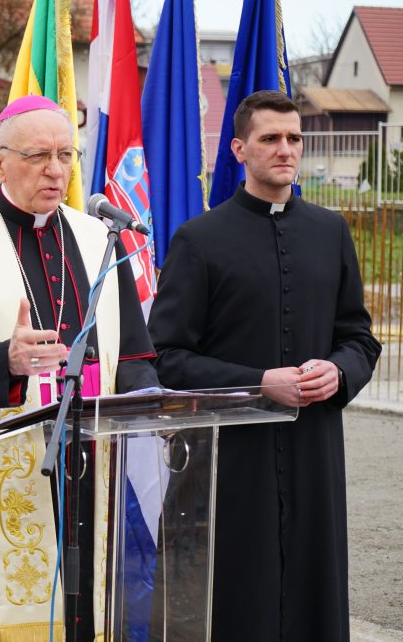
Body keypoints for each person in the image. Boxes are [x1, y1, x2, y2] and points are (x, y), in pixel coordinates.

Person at [0, 95, 159, 641]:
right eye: (39, 155)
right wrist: (5, 359)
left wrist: (152, 399)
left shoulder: (101, 239)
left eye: (66, 154)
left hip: (90, 462)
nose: (56, 170)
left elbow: (132, 355)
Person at [148, 90, 381, 642]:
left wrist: (341, 371)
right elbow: (167, 357)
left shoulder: (331, 232)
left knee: (312, 598)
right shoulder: (199, 240)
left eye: (294, 138)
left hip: (313, 452)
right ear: (239, 149)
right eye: (270, 138)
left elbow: (359, 337)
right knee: (238, 603)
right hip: (231, 462)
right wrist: (257, 382)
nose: (285, 149)